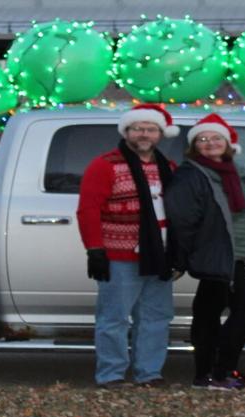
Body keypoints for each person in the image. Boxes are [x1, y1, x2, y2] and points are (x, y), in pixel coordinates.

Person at [164, 113, 245, 391]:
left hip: (232, 252)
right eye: (202, 139)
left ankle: (206, 375)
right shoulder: (191, 174)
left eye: (216, 138)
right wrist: (187, 255)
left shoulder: (235, 172)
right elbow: (182, 217)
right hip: (216, 253)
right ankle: (220, 370)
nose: (210, 143)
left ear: (227, 143)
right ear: (194, 146)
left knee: (208, 311)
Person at [76, 103, 179, 388]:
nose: (144, 134)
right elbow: (88, 209)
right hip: (119, 255)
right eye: (138, 129)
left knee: (156, 317)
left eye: (151, 129)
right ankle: (111, 375)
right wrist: (95, 249)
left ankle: (150, 373)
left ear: (160, 134)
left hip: (159, 255)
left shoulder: (168, 168)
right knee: (114, 318)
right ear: (127, 131)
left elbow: (178, 212)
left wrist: (178, 253)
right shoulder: (105, 165)